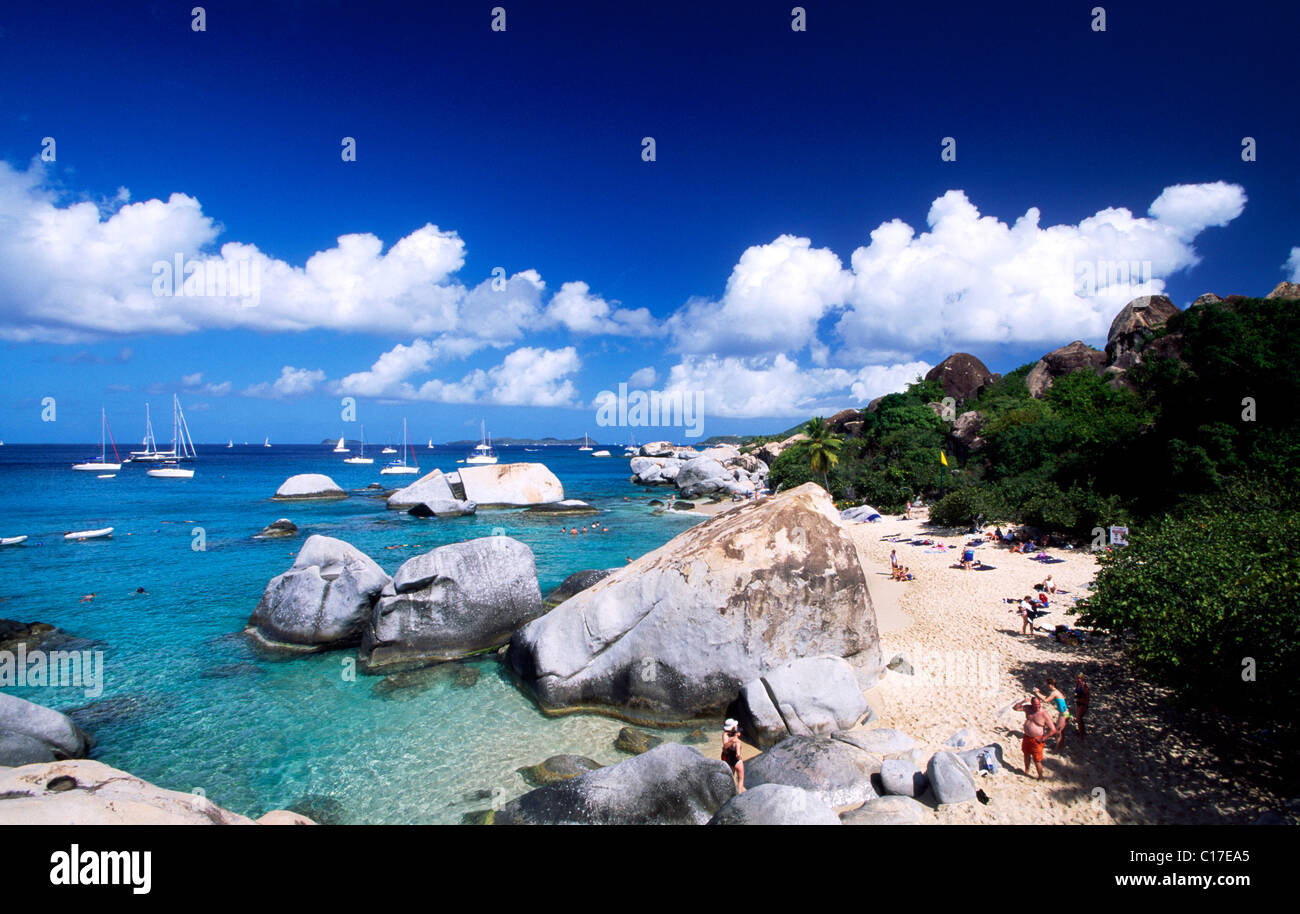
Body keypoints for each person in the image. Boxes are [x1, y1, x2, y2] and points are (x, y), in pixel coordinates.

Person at [1012, 696, 1053, 779]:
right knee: (1026, 754)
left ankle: (1040, 777)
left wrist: (1043, 738)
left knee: (1037, 760)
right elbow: (1015, 708)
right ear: (1031, 704)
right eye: (1035, 704)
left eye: (1039, 704)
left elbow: (1053, 729)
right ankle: (1026, 770)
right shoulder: (1028, 708)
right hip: (1027, 737)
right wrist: (1023, 700)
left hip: (1037, 739)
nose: (1037, 706)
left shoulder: (1044, 714)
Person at [1034, 678, 1070, 750]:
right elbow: (1046, 697)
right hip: (1064, 713)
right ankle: (1059, 746)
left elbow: (1046, 700)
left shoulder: (1054, 693)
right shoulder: (1056, 692)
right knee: (1060, 731)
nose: (1047, 686)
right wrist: (1038, 693)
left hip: (1064, 714)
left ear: (1051, 685)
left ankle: (1056, 749)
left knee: (1057, 731)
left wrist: (1037, 693)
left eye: (1047, 684)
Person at [721, 718, 745, 792]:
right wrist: (733, 740)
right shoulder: (725, 734)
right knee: (731, 778)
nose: (736, 726)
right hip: (730, 758)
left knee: (740, 778)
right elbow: (725, 746)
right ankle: (732, 793)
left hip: (736, 757)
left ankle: (739, 793)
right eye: (735, 725)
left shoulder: (734, 732)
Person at [1074, 673, 1090, 741]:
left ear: (1082, 678)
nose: (1078, 679)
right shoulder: (1077, 684)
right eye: (1077, 678)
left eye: (1080, 678)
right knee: (1078, 719)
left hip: (1083, 704)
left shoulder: (1084, 686)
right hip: (1078, 703)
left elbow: (1087, 696)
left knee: (1079, 719)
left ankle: (1081, 736)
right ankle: (1082, 732)